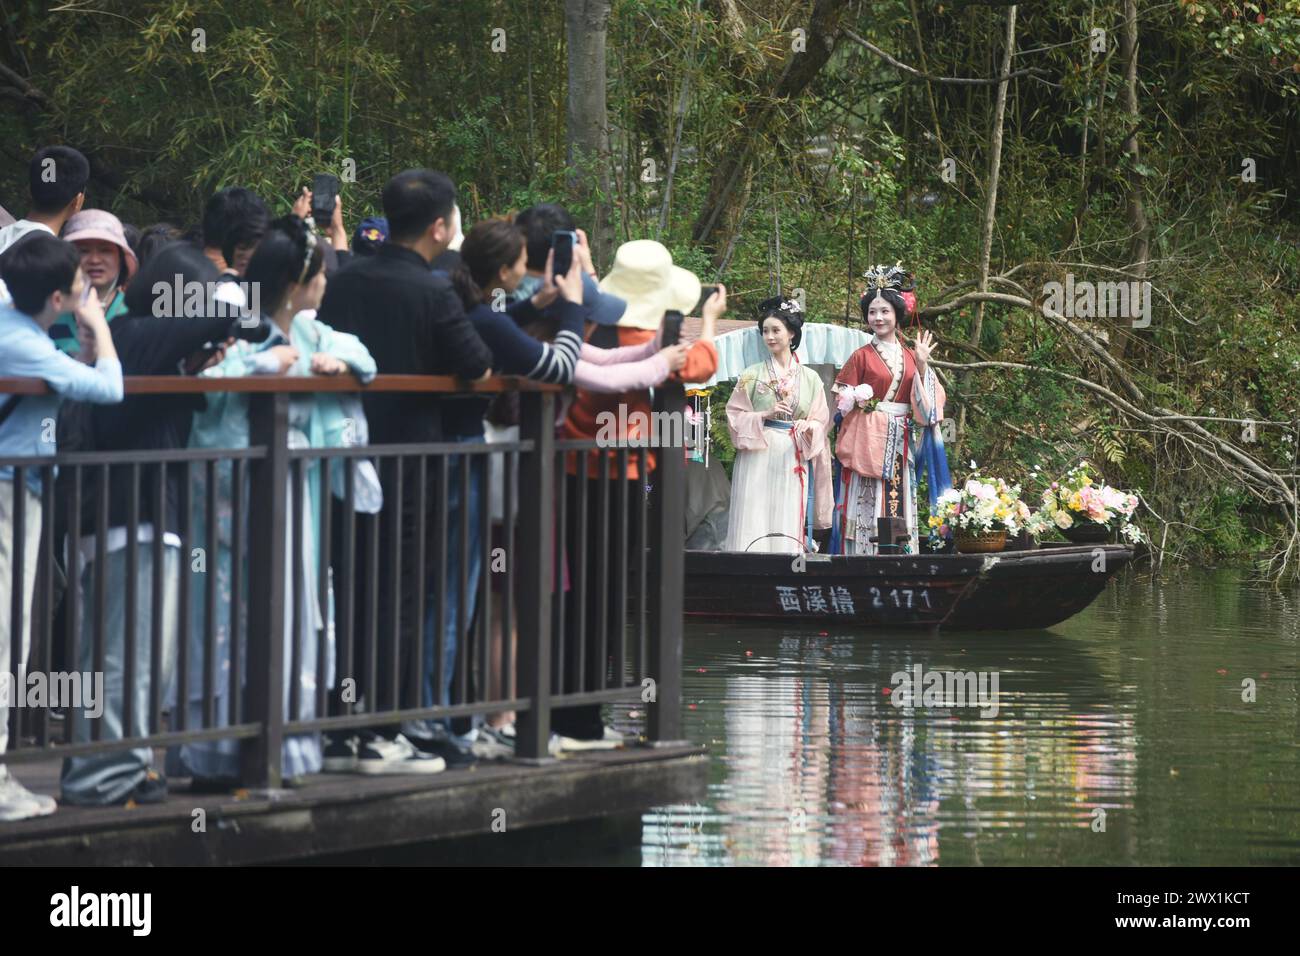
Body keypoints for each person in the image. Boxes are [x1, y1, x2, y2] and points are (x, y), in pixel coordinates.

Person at [171, 216, 400, 788]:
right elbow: (199, 379)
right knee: (224, 615)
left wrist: (342, 366)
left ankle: (283, 748)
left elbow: (366, 358)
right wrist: (255, 365)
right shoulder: (237, 327)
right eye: (319, 272)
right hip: (231, 483)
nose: (326, 281)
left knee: (293, 605)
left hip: (294, 488)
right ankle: (216, 752)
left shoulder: (315, 333)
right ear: (298, 281)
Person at [58, 243, 258, 807]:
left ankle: (130, 764)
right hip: (128, 520)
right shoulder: (139, 334)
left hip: (139, 520)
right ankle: (102, 776)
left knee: (144, 655)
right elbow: (231, 313)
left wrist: (196, 361)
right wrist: (228, 290)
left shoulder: (138, 342)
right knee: (125, 654)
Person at [316, 169, 493, 773]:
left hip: (347, 452)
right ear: (441, 226)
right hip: (413, 462)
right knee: (402, 593)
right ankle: (383, 733)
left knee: (352, 587)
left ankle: (343, 730)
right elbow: (476, 364)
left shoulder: (348, 277)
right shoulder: (432, 289)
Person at [556, 239, 723, 746]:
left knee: (571, 594)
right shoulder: (645, 335)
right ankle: (583, 719)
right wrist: (710, 320)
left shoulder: (581, 325)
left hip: (568, 468)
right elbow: (697, 365)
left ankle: (563, 712)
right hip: (619, 475)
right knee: (605, 595)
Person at [0, 233, 122, 821]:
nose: (86, 285)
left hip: (17, 491)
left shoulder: (16, 327)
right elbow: (110, 387)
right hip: (8, 495)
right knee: (5, 637)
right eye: (77, 282)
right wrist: (98, 324)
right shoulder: (21, 343)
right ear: (56, 296)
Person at [832, 264, 946, 555]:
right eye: (872, 312)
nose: (878, 318)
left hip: (900, 441)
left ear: (897, 315)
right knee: (866, 500)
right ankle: (861, 555)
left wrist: (922, 365)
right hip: (866, 440)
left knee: (897, 498)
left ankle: (897, 555)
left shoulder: (910, 356)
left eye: (884, 311)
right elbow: (839, 403)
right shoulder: (860, 356)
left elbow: (928, 412)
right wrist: (856, 401)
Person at [724, 297, 833, 553]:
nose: (769, 337)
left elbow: (821, 419)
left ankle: (785, 566)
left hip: (792, 452)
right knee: (754, 511)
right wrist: (763, 413)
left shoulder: (811, 378)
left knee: (787, 509)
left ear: (791, 333)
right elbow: (734, 415)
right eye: (765, 331)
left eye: (776, 330)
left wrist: (810, 427)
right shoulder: (751, 374)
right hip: (759, 450)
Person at [46, 209, 137, 354]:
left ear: (121, 259)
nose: (95, 260)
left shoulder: (135, 314)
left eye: (105, 250)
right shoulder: (46, 312)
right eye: (83, 251)